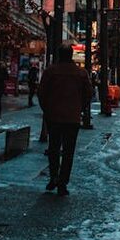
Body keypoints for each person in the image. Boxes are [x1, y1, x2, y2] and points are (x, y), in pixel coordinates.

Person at [39, 45, 93, 196]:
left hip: (53, 117)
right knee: (68, 152)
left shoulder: (50, 71)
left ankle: (53, 177)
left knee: (53, 148)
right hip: (72, 118)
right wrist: (79, 108)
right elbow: (89, 94)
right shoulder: (81, 73)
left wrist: (47, 109)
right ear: (71, 55)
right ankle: (63, 182)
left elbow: (41, 93)